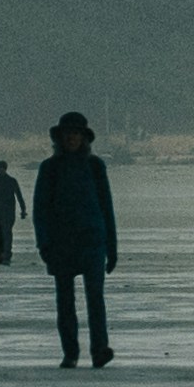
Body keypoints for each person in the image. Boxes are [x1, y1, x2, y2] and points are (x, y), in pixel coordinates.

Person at [32, 110, 117, 367]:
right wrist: (44, 243)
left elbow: (106, 208)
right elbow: (40, 209)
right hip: (61, 244)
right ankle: (70, 352)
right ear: (60, 138)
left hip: (92, 241)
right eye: (68, 134)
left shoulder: (95, 166)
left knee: (95, 299)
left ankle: (99, 349)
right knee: (65, 301)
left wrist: (112, 248)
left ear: (84, 138)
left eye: (76, 134)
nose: (72, 138)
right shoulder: (50, 168)